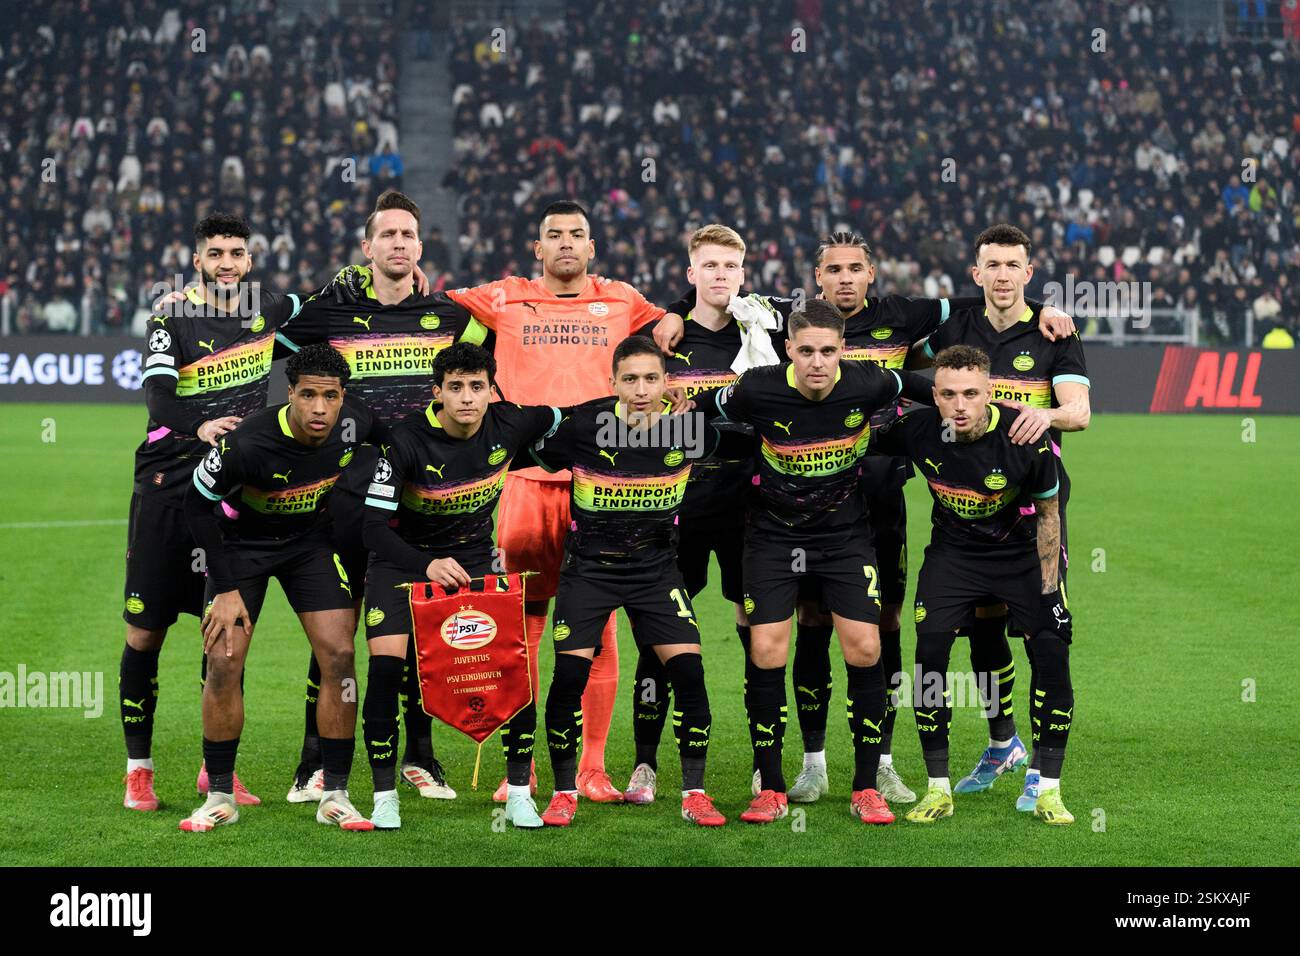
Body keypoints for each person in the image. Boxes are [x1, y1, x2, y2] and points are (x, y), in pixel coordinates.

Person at [656, 231, 1074, 805]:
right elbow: (721, 299)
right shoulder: (787, 319)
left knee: (883, 629)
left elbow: (978, 313)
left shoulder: (901, 320)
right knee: (804, 626)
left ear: (870, 274)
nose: (846, 277)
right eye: (834, 269)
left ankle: (878, 766)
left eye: (856, 268)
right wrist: (674, 315)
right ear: (817, 280)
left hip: (875, 506)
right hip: (790, 514)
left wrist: (1037, 316)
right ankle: (807, 763)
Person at [442, 200, 683, 802]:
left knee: (596, 629)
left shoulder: (625, 301)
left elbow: (684, 329)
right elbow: (438, 320)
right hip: (523, 484)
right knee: (520, 631)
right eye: (555, 235)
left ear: (592, 246)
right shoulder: (503, 297)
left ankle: (591, 768)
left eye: (578, 234)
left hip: (600, 487)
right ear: (538, 248)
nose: (567, 244)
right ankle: (517, 769)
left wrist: (682, 322)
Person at [277, 189, 490, 804]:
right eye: (387, 235)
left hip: (423, 501)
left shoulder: (449, 316)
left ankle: (421, 757)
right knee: (334, 635)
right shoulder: (331, 312)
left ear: (421, 248)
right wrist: (335, 283)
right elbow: (273, 333)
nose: (399, 243)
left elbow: (501, 349)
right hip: (344, 498)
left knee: (423, 632)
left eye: (408, 235)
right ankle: (316, 759)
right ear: (367, 248)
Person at [693, 300, 934, 825]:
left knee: (867, 647)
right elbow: (699, 410)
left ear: (842, 351)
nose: (818, 362)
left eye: (828, 351)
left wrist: (1001, 410)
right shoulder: (756, 387)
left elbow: (927, 388)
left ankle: (865, 787)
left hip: (845, 536)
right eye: (806, 351)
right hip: (772, 537)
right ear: (789, 351)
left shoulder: (869, 383)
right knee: (766, 649)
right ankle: (771, 787)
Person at [119, 212, 305, 813]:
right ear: (197, 260)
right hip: (167, 484)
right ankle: (138, 770)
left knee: (224, 635)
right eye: (216, 253)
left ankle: (213, 770)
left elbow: (326, 307)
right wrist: (199, 425)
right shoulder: (171, 313)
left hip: (229, 492)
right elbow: (157, 394)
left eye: (237, 253)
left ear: (250, 261)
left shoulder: (268, 311)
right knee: (145, 633)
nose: (227, 262)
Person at [527, 335, 740, 827]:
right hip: (588, 574)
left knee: (689, 672)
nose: (641, 390)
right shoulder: (584, 427)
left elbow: (752, 435)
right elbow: (527, 448)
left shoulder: (691, 431)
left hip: (656, 573)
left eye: (650, 378)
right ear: (612, 383)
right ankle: (563, 792)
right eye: (629, 380)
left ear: (667, 382)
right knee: (570, 679)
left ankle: (695, 793)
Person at [917, 223, 1090, 810]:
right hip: (968, 504)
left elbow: (1080, 412)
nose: (1002, 275)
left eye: (1013, 264)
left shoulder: (1054, 330)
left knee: (1044, 633)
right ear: (976, 272)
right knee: (982, 633)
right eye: (991, 264)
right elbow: (895, 357)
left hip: (1035, 501)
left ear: (1028, 271)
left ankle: (1044, 773)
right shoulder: (950, 328)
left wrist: (1046, 417)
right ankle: (1002, 744)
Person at [180, 344, 385, 831]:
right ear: (289, 392)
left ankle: (334, 792)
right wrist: (226, 587)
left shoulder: (356, 421)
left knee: (339, 657)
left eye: (330, 396)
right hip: (242, 549)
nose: (319, 408)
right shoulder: (247, 443)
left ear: (342, 397)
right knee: (225, 661)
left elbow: (397, 442)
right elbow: (194, 505)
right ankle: (220, 796)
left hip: (309, 546)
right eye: (308, 395)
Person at [359, 342, 562, 829]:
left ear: (491, 390)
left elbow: (571, 415)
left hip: (473, 561)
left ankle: (518, 794)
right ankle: (384, 797)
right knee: (386, 672)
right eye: (455, 388)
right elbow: (370, 527)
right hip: (403, 560)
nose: (467, 398)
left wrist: (656, 409)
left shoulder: (510, 422)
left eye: (477, 387)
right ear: (437, 393)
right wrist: (425, 564)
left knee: (512, 673)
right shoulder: (406, 441)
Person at [870, 344, 1075, 825]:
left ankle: (1049, 788)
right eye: (947, 394)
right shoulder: (918, 430)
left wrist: (1049, 591)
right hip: (954, 556)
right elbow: (853, 434)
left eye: (970, 394)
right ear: (934, 397)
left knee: (1050, 649)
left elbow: (1049, 515)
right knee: (929, 658)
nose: (959, 405)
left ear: (989, 393)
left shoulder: (1025, 437)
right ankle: (937, 788)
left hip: (1019, 554)